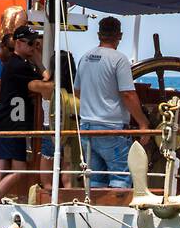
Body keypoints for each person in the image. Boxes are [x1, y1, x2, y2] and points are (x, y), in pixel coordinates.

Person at [75, 16, 150, 189]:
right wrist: (143, 123)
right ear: (120, 35)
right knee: (121, 178)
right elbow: (128, 95)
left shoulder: (85, 58)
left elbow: (78, 91)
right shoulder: (119, 59)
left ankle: (95, 213)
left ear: (99, 34)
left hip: (86, 128)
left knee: (95, 179)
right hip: (111, 129)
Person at [0, 26, 53, 201]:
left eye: (35, 44)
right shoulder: (20, 66)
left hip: (5, 121)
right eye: (30, 44)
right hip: (14, 123)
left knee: (2, 167)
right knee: (19, 171)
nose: (33, 48)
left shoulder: (13, 64)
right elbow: (47, 81)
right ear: (18, 43)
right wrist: (39, 60)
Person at [39, 51, 81, 194]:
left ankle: (48, 193)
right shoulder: (75, 87)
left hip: (49, 128)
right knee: (67, 165)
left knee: (47, 162)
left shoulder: (47, 86)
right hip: (69, 128)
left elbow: (31, 85)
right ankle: (68, 193)